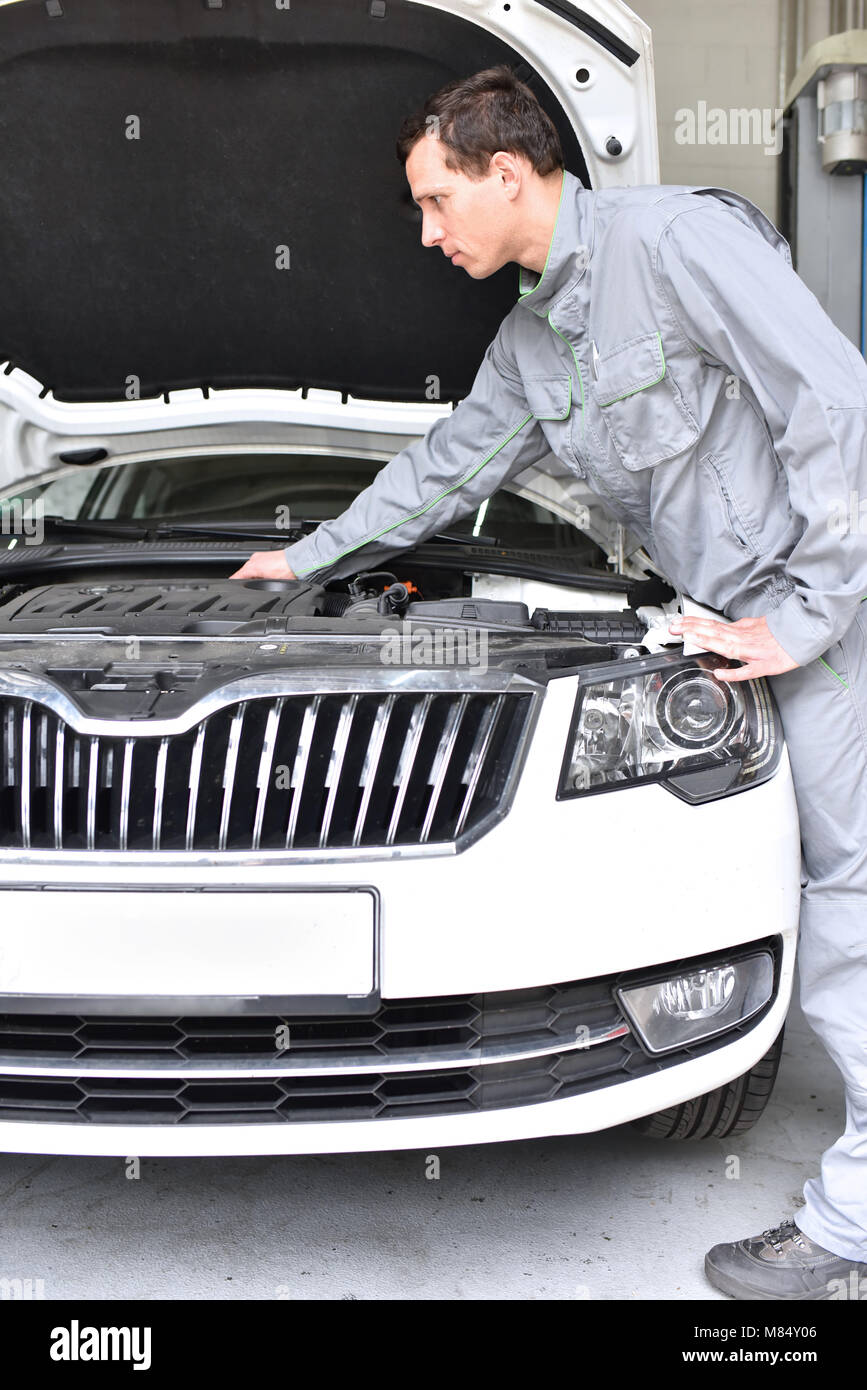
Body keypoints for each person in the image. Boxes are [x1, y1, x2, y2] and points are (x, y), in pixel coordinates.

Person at [231, 65, 867, 1300]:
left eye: (434, 200)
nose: (425, 232)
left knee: (854, 906)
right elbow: (445, 468)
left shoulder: (679, 242)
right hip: (736, 628)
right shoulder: (531, 342)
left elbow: (836, 408)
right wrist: (302, 558)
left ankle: (853, 1225)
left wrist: (811, 612)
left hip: (828, 619)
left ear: (507, 173)